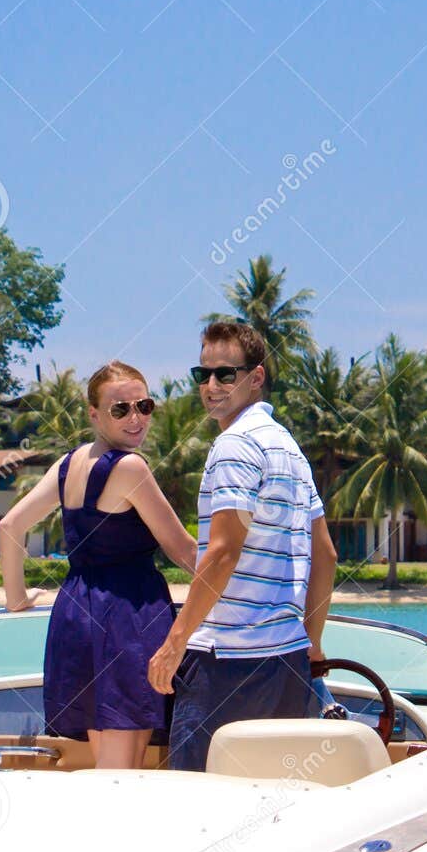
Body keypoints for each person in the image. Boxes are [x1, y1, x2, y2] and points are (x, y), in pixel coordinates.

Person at [146, 321, 338, 772]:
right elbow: (325, 554)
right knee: (273, 805)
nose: (211, 386)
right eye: (203, 374)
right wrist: (310, 642)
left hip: (226, 665)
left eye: (225, 374)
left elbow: (223, 552)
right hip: (287, 663)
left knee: (199, 805)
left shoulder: (235, 445)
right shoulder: (289, 448)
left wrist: (175, 643)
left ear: (256, 377)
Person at [0, 360, 198, 769]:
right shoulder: (130, 467)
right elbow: (184, 552)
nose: (136, 418)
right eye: (120, 409)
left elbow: (10, 525)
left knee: (106, 757)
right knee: (121, 771)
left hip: (77, 615)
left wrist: (16, 599)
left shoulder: (68, 464)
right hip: (127, 618)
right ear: (94, 415)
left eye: (144, 406)